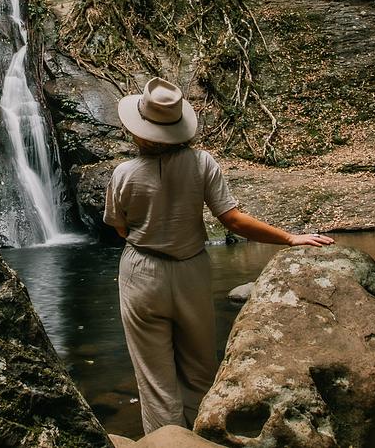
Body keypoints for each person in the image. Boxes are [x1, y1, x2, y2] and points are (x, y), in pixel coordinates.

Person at [103, 77, 334, 436]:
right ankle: (207, 437)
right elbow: (233, 219)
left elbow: (119, 228)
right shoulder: (202, 163)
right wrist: (290, 238)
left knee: (154, 377)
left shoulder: (123, 174)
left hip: (141, 274)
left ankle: (165, 443)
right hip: (191, 269)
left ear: (139, 129)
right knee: (200, 367)